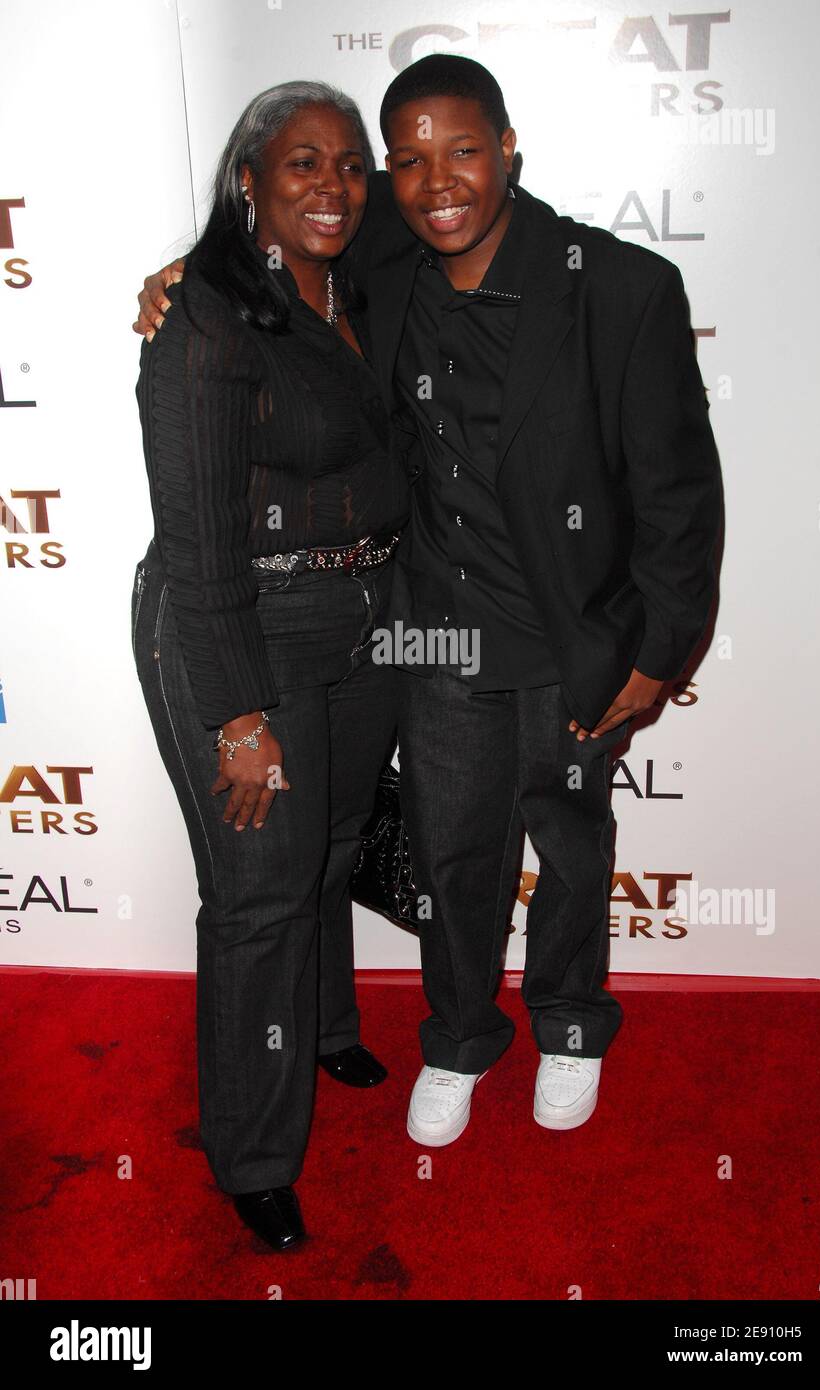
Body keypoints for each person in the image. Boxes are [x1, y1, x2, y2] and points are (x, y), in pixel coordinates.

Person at [135, 56, 722, 1153]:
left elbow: (680, 494)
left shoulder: (623, 287)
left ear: (508, 149)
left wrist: (658, 648)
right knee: (456, 849)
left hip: (577, 630)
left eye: (460, 149)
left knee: (573, 837)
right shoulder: (386, 268)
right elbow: (272, 239)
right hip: (434, 628)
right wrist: (184, 271)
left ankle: (571, 1021)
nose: (431, 177)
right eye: (403, 159)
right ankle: (457, 1033)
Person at [132, 80, 410, 1250]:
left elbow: (478, 203)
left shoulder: (372, 279)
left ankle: (327, 1020)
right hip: (240, 622)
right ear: (248, 178)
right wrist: (238, 715)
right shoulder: (205, 318)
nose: (332, 187)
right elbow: (199, 547)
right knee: (259, 896)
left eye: (351, 165)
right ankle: (251, 1152)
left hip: (365, 614)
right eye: (302, 164)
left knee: (337, 843)